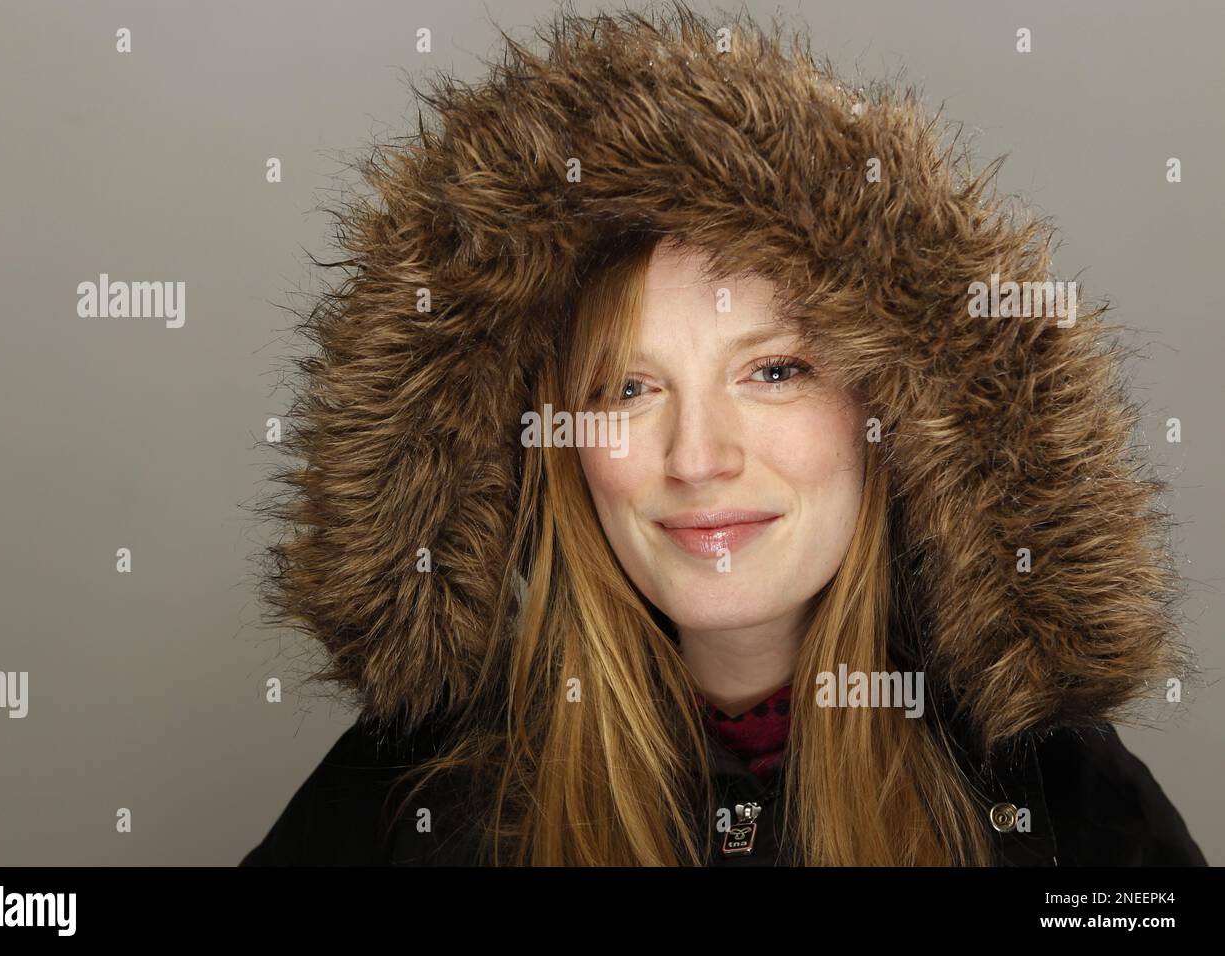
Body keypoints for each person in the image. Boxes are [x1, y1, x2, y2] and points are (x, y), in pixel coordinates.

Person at [241, 5, 1206, 866]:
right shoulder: (414, 796)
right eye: (625, 387)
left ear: (896, 417)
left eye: (775, 372)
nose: (698, 455)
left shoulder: (1059, 802)